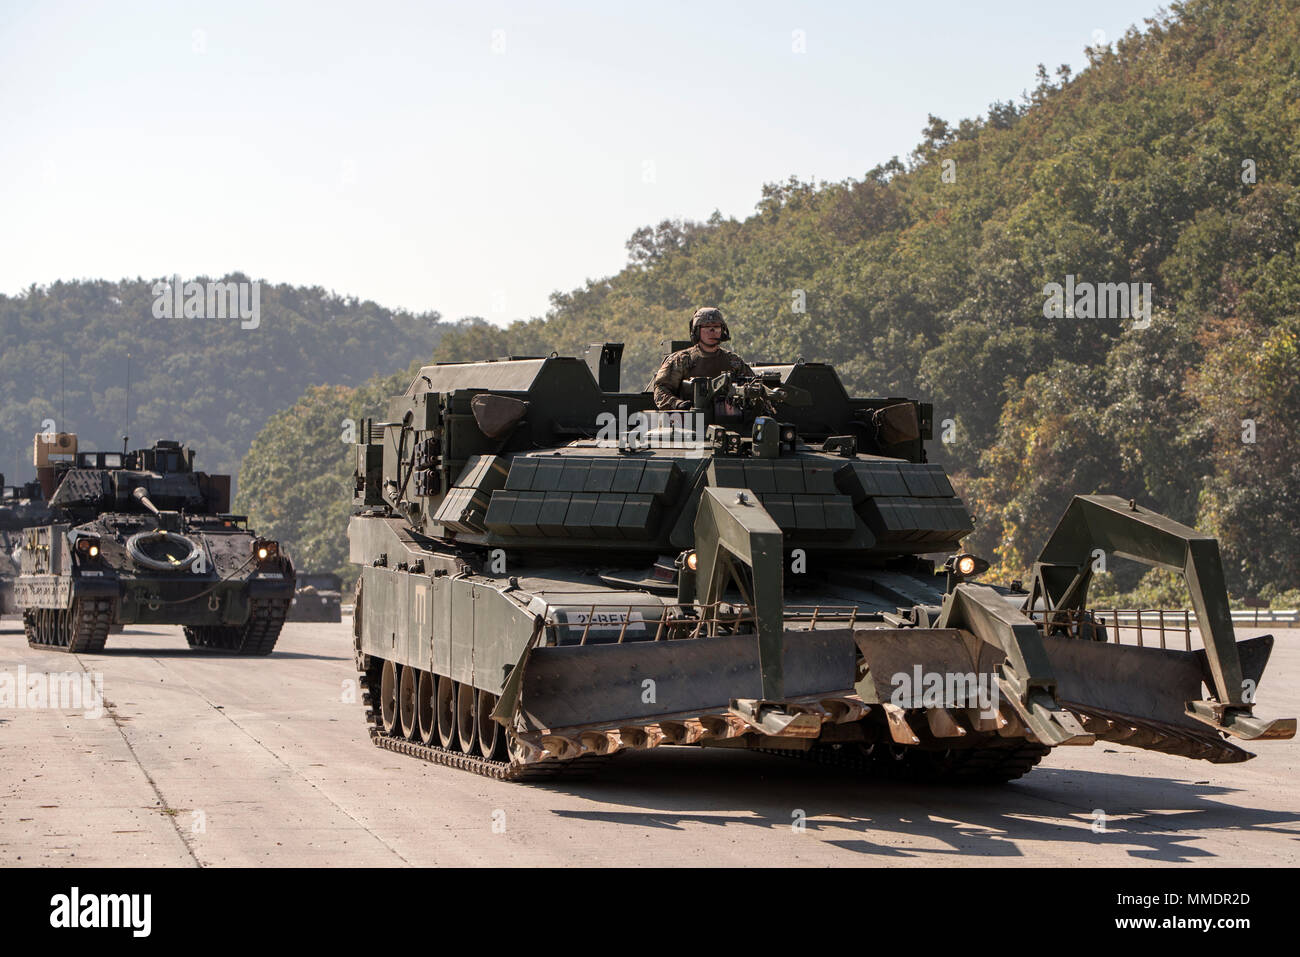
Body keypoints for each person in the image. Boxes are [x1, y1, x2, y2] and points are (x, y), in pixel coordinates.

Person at [652, 307, 754, 410]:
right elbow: (661, 389)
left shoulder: (734, 361)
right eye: (707, 327)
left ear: (722, 330)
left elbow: (754, 389)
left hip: (731, 420)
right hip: (691, 421)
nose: (712, 331)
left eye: (716, 327)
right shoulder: (682, 360)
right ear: (696, 331)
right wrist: (677, 404)